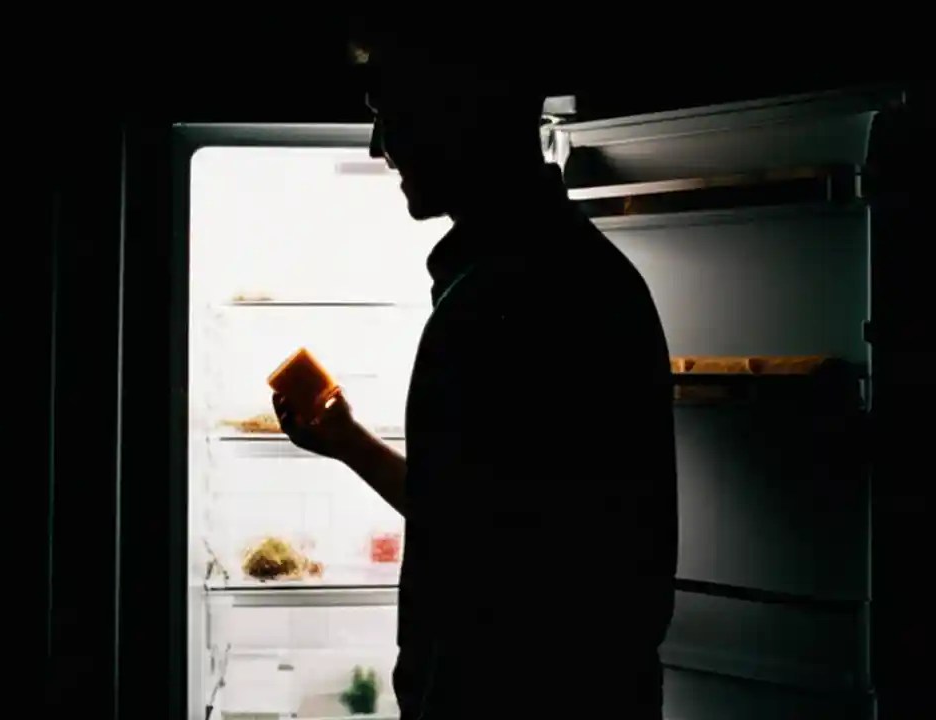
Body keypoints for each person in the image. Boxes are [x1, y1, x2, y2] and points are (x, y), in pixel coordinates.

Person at [272, 19, 677, 719]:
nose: (380, 145)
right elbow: (476, 516)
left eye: (389, 115)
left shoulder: (509, 298)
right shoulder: (569, 274)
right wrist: (348, 442)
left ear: (459, 109)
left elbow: (513, 576)